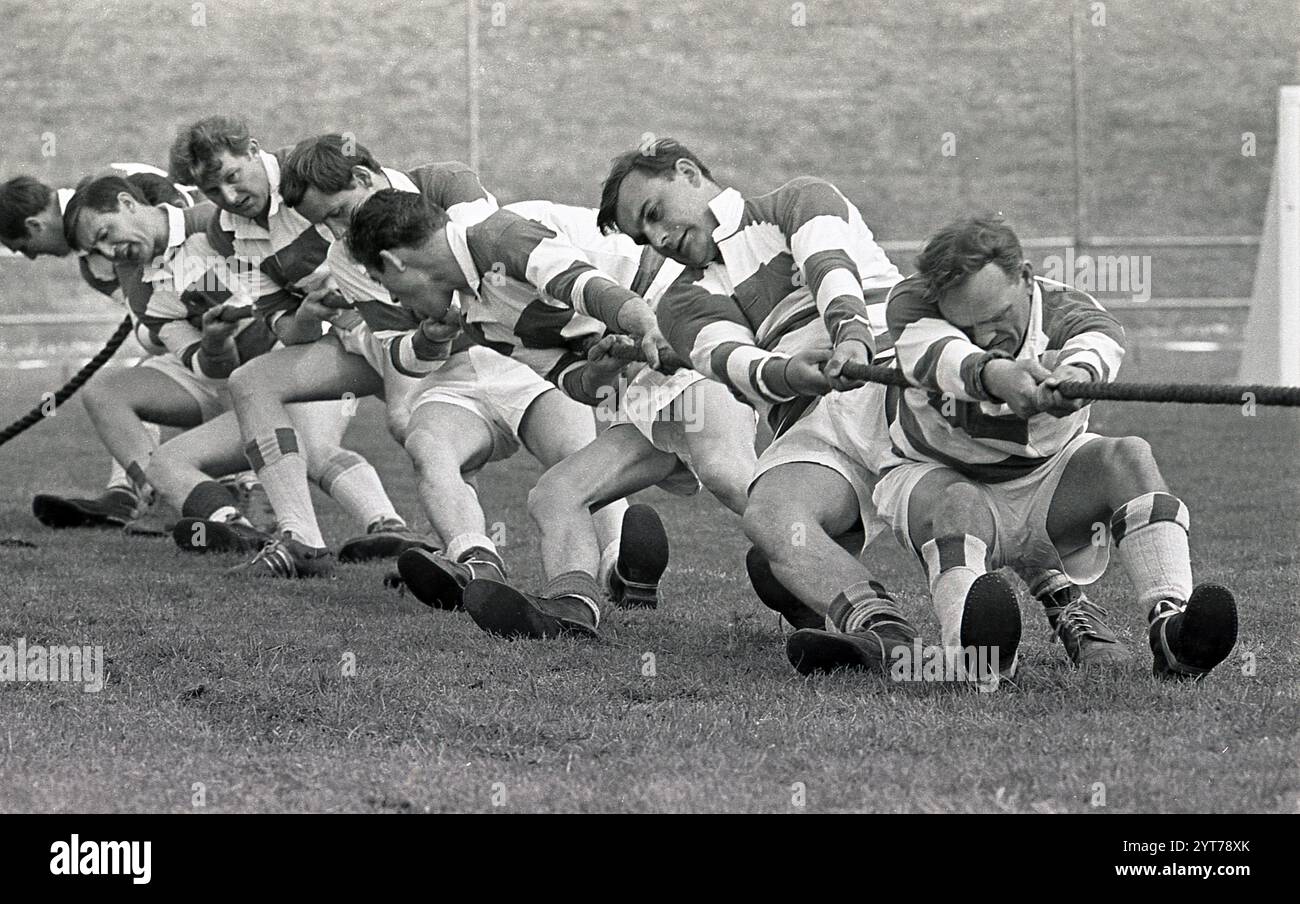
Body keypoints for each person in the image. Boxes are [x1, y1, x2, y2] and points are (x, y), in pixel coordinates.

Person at [874, 215, 1237, 681]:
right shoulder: (912, 300)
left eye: (999, 317)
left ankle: (1173, 632)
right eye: (967, 325)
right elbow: (941, 354)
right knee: (957, 501)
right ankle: (976, 657)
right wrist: (997, 375)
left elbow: (1099, 345)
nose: (987, 336)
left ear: (1026, 277)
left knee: (1130, 455)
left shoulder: (1073, 310)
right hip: (940, 480)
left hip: (1048, 485)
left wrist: (1078, 378)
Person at [166, 115, 429, 575]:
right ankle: (302, 543)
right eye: (211, 192)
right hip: (354, 338)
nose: (229, 198)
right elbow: (285, 328)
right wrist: (307, 314)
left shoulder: (310, 174)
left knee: (425, 427)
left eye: (231, 177)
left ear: (252, 150)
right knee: (250, 381)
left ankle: (462, 552)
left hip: (414, 325)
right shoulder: (226, 231)